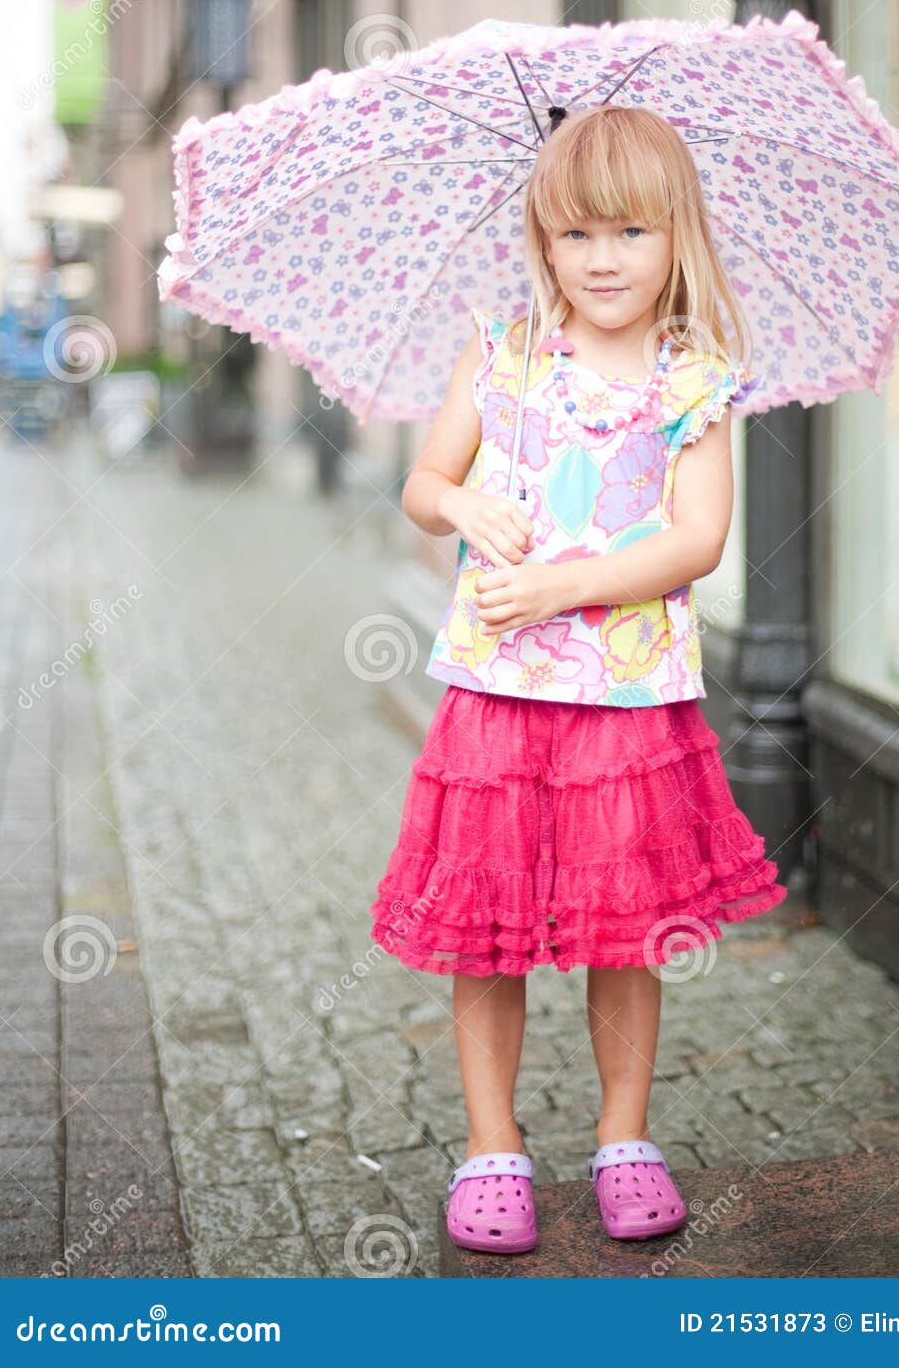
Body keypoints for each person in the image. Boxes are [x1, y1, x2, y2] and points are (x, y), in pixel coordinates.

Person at [369, 104, 787, 1256]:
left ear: (676, 235)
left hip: (625, 704)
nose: (602, 259)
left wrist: (561, 586)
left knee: (626, 926)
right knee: (482, 925)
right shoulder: (501, 351)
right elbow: (421, 484)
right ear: (542, 240)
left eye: (631, 231)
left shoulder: (691, 377)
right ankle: (490, 1143)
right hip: (498, 697)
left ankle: (621, 1136)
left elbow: (697, 539)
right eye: (576, 233)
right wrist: (460, 506)